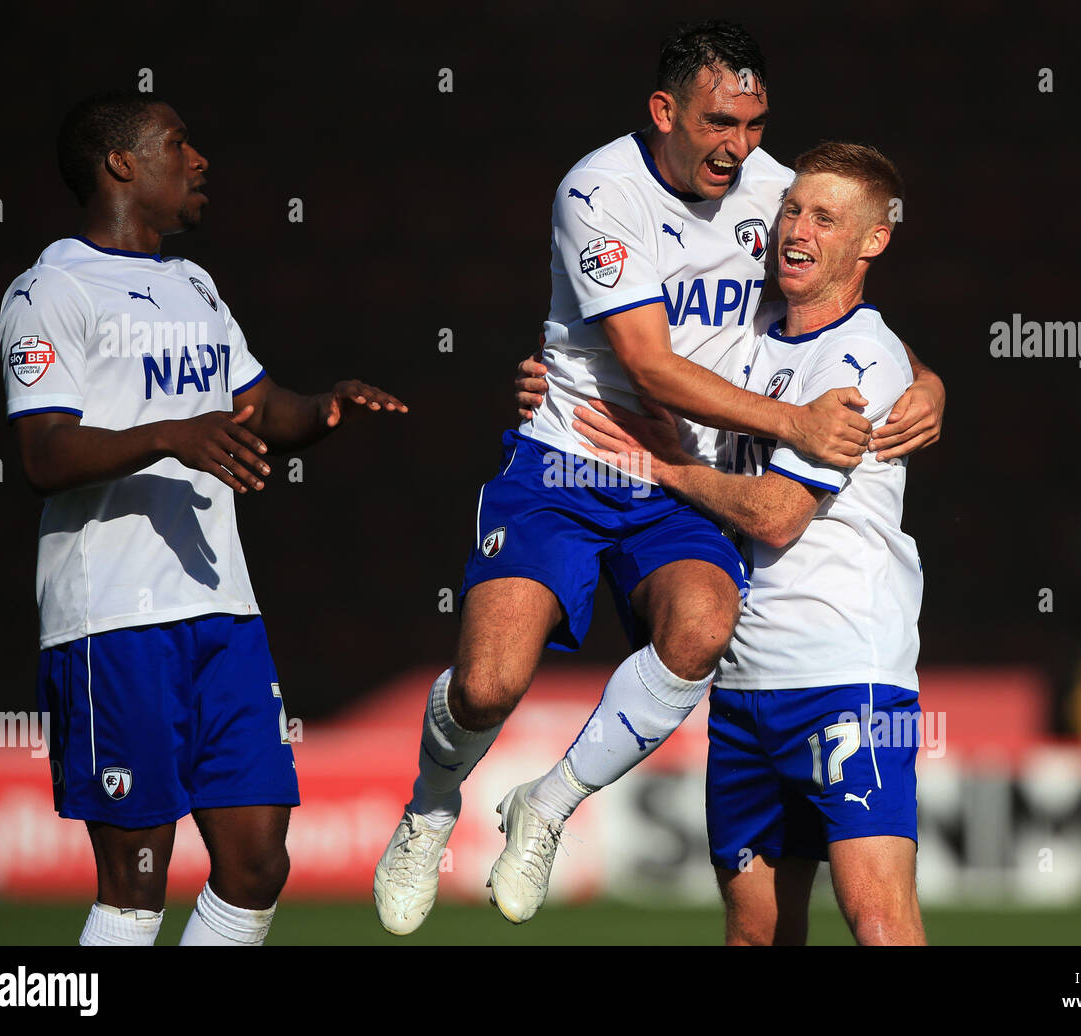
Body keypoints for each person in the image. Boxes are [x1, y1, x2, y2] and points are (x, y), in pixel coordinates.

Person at [373, 20, 943, 933]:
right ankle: (430, 809)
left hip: (680, 475)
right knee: (486, 684)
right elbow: (649, 367)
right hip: (573, 454)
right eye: (721, 121)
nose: (741, 146)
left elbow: (841, 304)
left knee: (703, 624)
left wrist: (928, 380)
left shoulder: (775, 192)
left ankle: (546, 806)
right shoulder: (598, 190)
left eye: (756, 123)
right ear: (663, 111)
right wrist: (792, 420)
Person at [0, 91, 407, 946]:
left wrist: (324, 408)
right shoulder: (49, 291)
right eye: (177, 143)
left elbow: (259, 410)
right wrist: (167, 435)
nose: (200, 159)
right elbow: (42, 456)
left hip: (223, 616)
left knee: (258, 865)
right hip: (114, 622)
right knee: (137, 885)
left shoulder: (193, 285)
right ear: (120, 163)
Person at [573, 142, 928, 945]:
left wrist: (662, 469)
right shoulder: (752, 334)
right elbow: (647, 362)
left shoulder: (861, 356)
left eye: (826, 219)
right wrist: (557, 379)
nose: (797, 230)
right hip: (743, 685)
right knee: (755, 930)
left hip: (844, 677)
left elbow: (774, 514)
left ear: (873, 241)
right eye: (793, 209)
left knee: (877, 917)